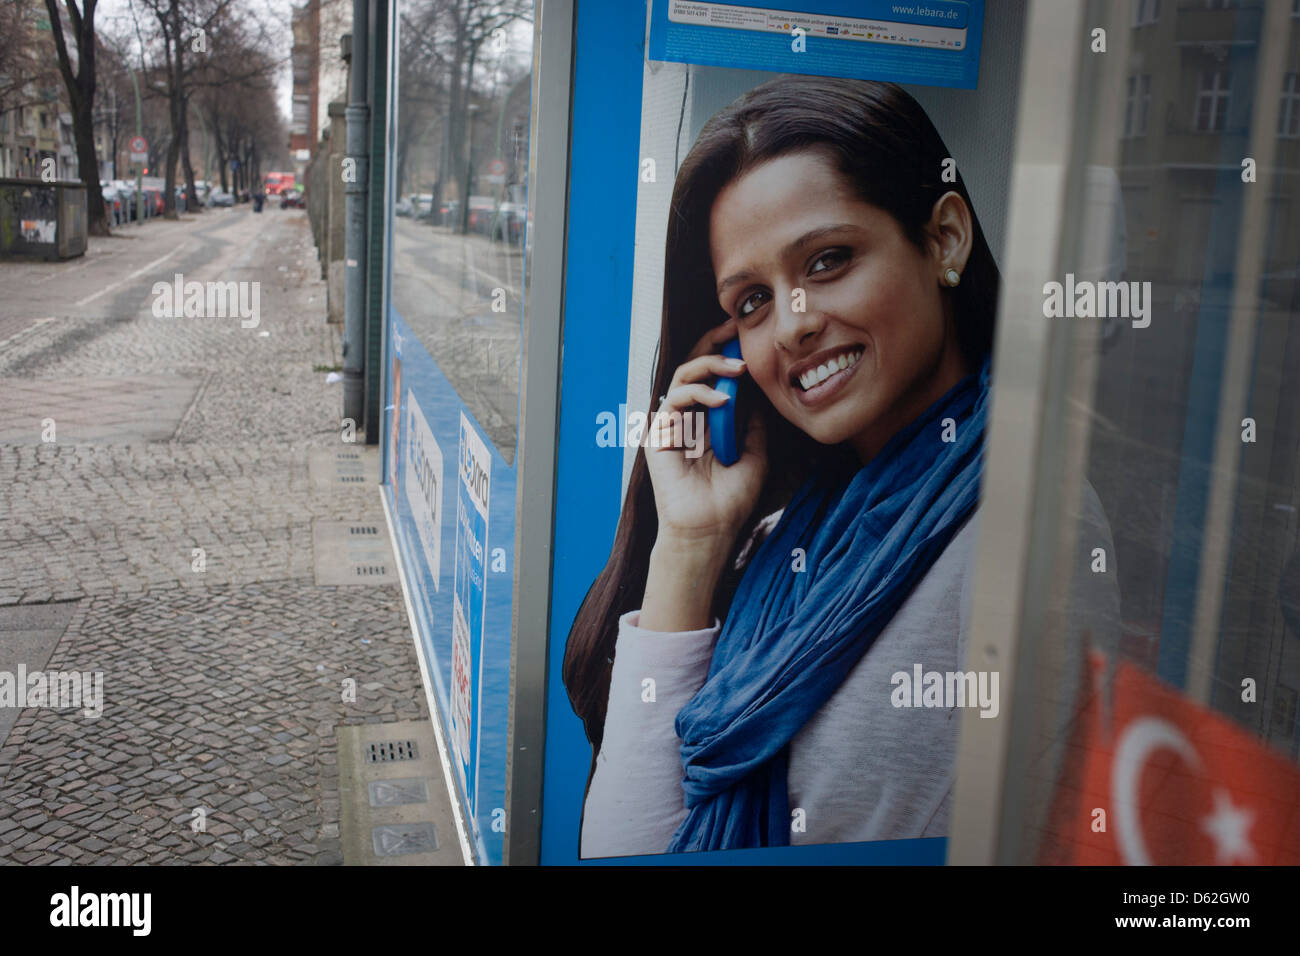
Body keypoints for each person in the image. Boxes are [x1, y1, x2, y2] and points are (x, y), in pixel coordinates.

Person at [563, 76, 1118, 859]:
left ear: (945, 239)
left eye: (827, 260)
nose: (791, 325)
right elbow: (624, 845)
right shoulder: (801, 526)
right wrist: (690, 545)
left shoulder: (1023, 532)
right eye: (752, 300)